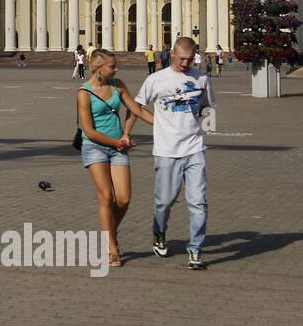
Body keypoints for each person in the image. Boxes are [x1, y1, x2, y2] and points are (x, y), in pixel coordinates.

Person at [132, 36, 215, 271]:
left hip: (195, 148)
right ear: (172, 54)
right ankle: (159, 231)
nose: (185, 64)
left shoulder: (202, 79)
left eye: (189, 59)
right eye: (181, 59)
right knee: (164, 201)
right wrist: (155, 122)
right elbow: (137, 105)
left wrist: (205, 127)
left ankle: (195, 249)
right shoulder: (156, 79)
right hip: (166, 150)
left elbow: (208, 106)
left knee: (198, 202)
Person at [77, 50, 140, 268]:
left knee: (123, 199)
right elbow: (88, 130)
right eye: (112, 66)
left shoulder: (118, 84)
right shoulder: (84, 92)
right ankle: (112, 248)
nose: (116, 69)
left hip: (118, 148)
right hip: (95, 147)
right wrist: (118, 142)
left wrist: (164, 124)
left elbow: (136, 109)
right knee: (107, 198)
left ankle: (109, 231)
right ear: (98, 68)